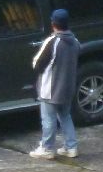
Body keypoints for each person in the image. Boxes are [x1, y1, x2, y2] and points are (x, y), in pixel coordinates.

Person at [30, 9, 80, 159]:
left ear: (53, 24)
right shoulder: (75, 42)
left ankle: (47, 148)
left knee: (48, 119)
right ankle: (71, 147)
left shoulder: (53, 41)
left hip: (50, 89)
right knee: (65, 116)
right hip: (68, 88)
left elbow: (37, 64)